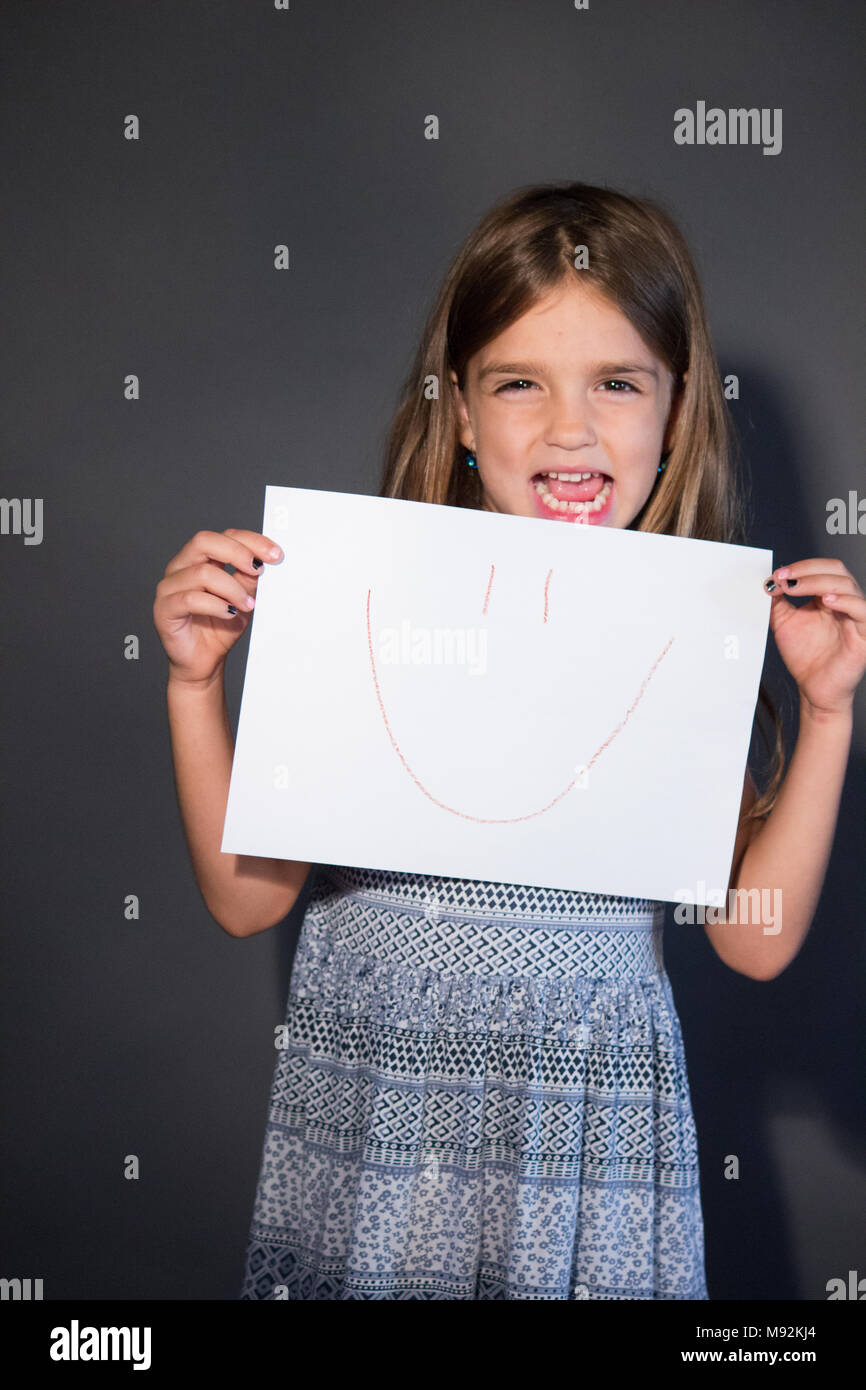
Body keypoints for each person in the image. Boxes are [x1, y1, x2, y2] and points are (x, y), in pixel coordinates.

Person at [152, 182, 865, 1299]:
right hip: (385, 1122)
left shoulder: (680, 633)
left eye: (616, 384)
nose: (568, 427)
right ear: (462, 417)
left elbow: (753, 943)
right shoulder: (363, 602)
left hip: (581, 1143)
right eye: (518, 383)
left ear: (674, 416)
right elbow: (246, 902)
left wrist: (823, 714)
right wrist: (196, 685)